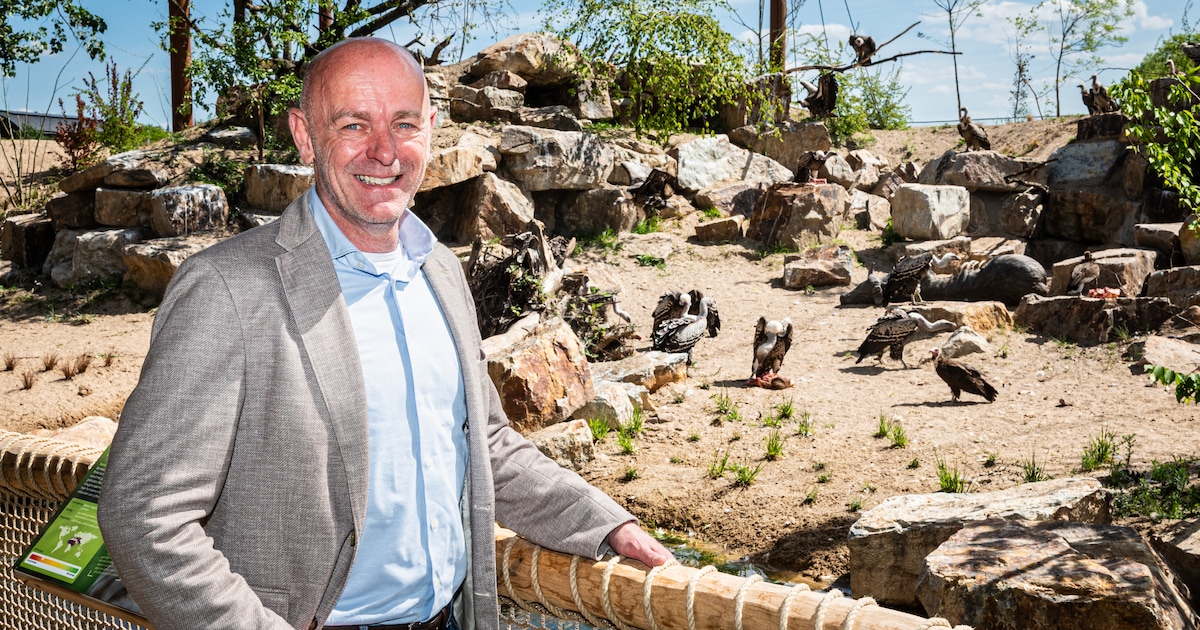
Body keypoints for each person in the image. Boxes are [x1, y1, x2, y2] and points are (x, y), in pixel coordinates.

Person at [97, 37, 672, 630]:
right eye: (353, 124)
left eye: (403, 124)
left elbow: (485, 444)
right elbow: (144, 516)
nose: (384, 151)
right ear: (304, 134)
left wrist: (604, 522)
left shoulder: (442, 271)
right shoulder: (226, 288)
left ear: (430, 126)